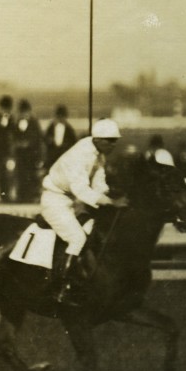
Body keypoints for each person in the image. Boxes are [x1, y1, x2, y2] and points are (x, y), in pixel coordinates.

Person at [40, 118, 127, 304]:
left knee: (93, 231)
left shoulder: (99, 155)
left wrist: (113, 194)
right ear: (98, 139)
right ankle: (60, 287)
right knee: (77, 238)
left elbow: (99, 185)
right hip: (55, 201)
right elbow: (81, 190)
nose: (114, 144)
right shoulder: (79, 155)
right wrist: (111, 202)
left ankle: (82, 278)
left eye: (115, 140)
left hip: (72, 202)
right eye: (110, 140)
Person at [12, 99, 44, 202]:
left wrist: (29, 144)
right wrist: (18, 143)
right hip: (20, 155)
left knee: (31, 176)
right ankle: (21, 197)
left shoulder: (34, 123)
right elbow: (13, 137)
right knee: (21, 175)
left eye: (25, 112)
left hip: (31, 155)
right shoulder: (17, 123)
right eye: (22, 112)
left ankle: (30, 197)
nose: (24, 114)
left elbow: (38, 140)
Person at [43, 104, 78, 170]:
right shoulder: (51, 128)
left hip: (64, 157)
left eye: (62, 117)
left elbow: (73, 143)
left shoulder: (69, 129)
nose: (60, 119)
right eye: (58, 117)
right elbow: (45, 140)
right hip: (52, 158)